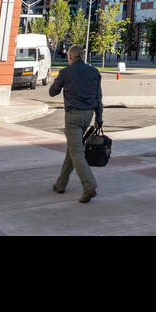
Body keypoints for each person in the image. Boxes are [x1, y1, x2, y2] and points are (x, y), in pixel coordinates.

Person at [49, 43, 103, 203]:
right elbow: (98, 97)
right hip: (88, 115)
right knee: (72, 150)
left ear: (71, 57)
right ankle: (61, 184)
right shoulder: (94, 72)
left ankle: (89, 186)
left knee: (77, 152)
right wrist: (99, 119)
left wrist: (58, 80)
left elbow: (53, 92)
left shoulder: (66, 72)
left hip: (73, 116)